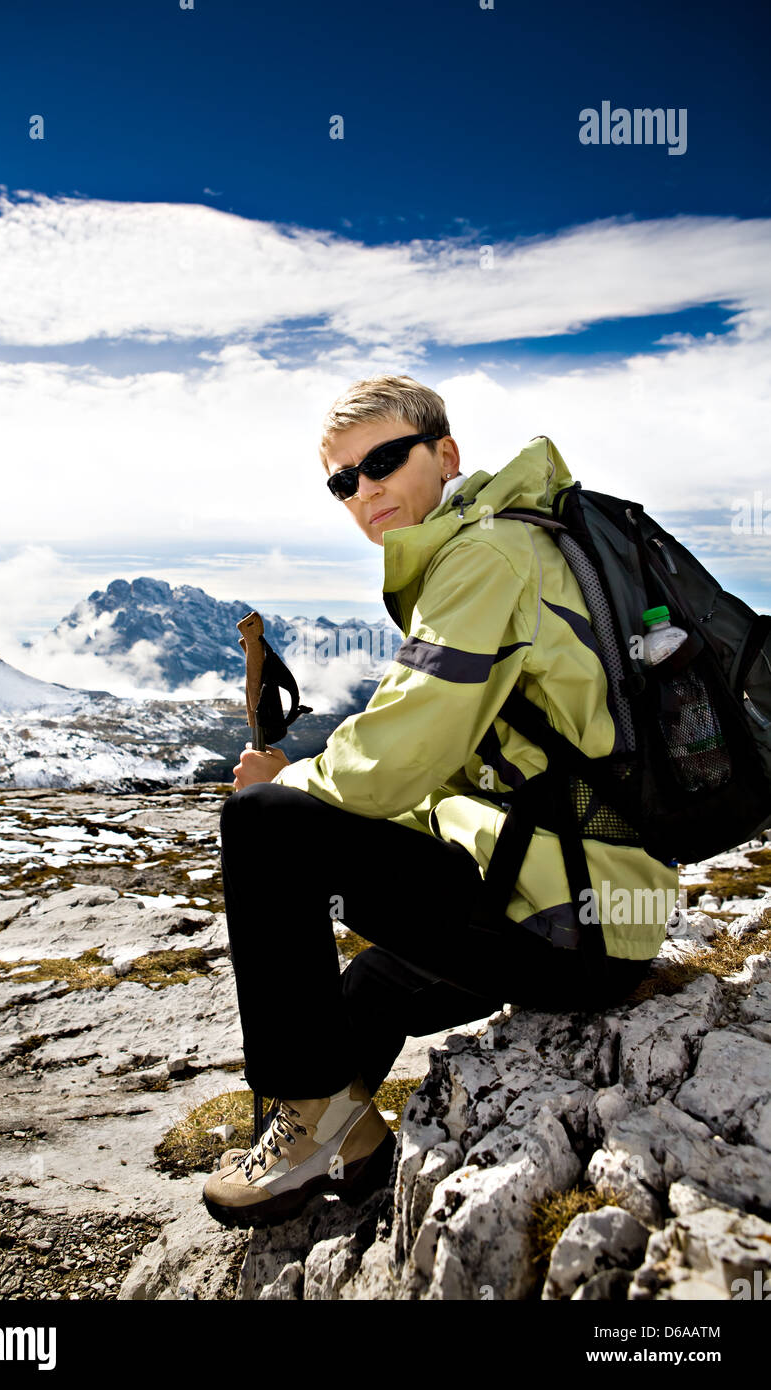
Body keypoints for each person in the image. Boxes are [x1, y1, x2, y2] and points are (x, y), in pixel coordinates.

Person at [201, 374, 677, 1229]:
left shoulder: (483, 559)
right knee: (350, 1010)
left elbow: (395, 761)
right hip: (599, 906)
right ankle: (332, 1139)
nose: (364, 489)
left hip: (571, 928)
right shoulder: (511, 542)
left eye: (382, 460)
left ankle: (311, 1127)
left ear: (446, 454)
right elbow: (470, 775)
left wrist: (285, 785)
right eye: (342, 480)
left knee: (263, 827)